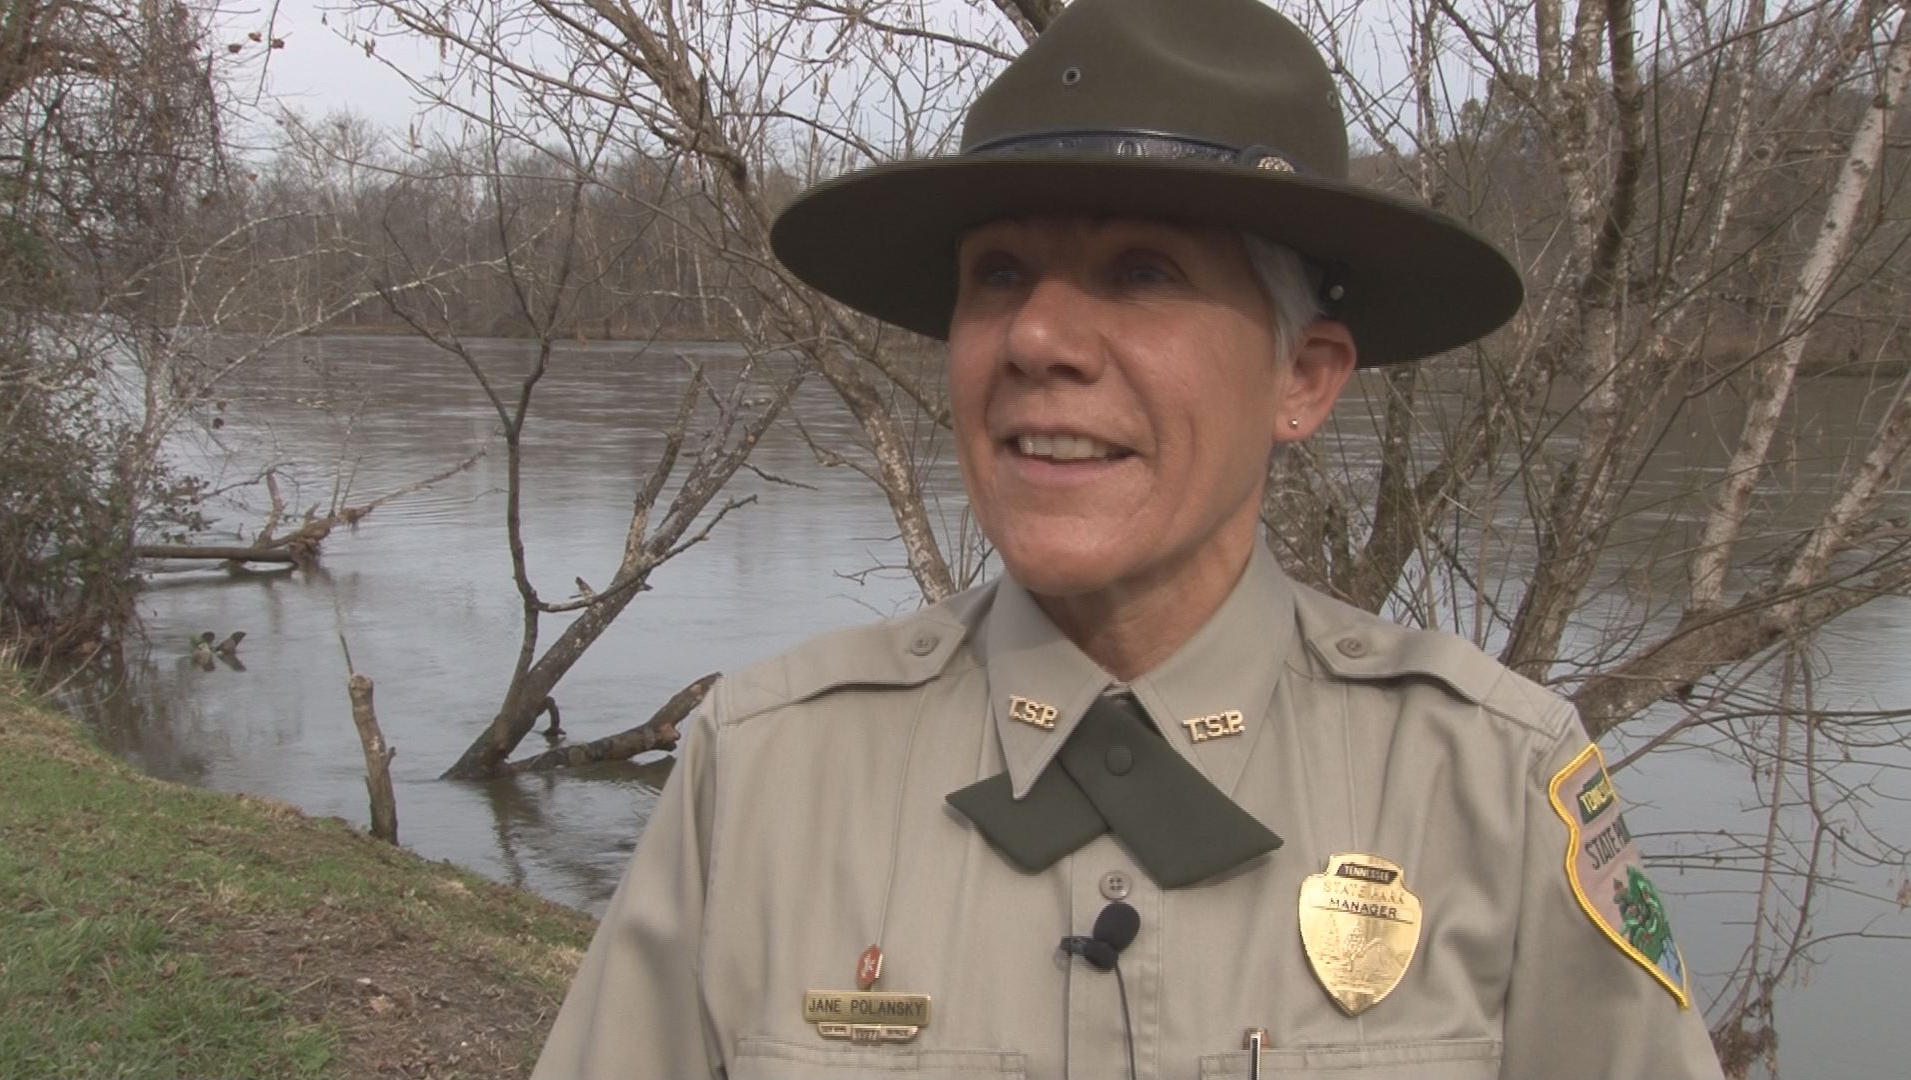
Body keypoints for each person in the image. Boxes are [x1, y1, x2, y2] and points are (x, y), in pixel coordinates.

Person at [532, 0, 1725, 1077]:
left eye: (1142, 273)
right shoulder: (766, 775)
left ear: (1302, 380)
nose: (1037, 335)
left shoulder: (1493, 787)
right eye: (997, 274)